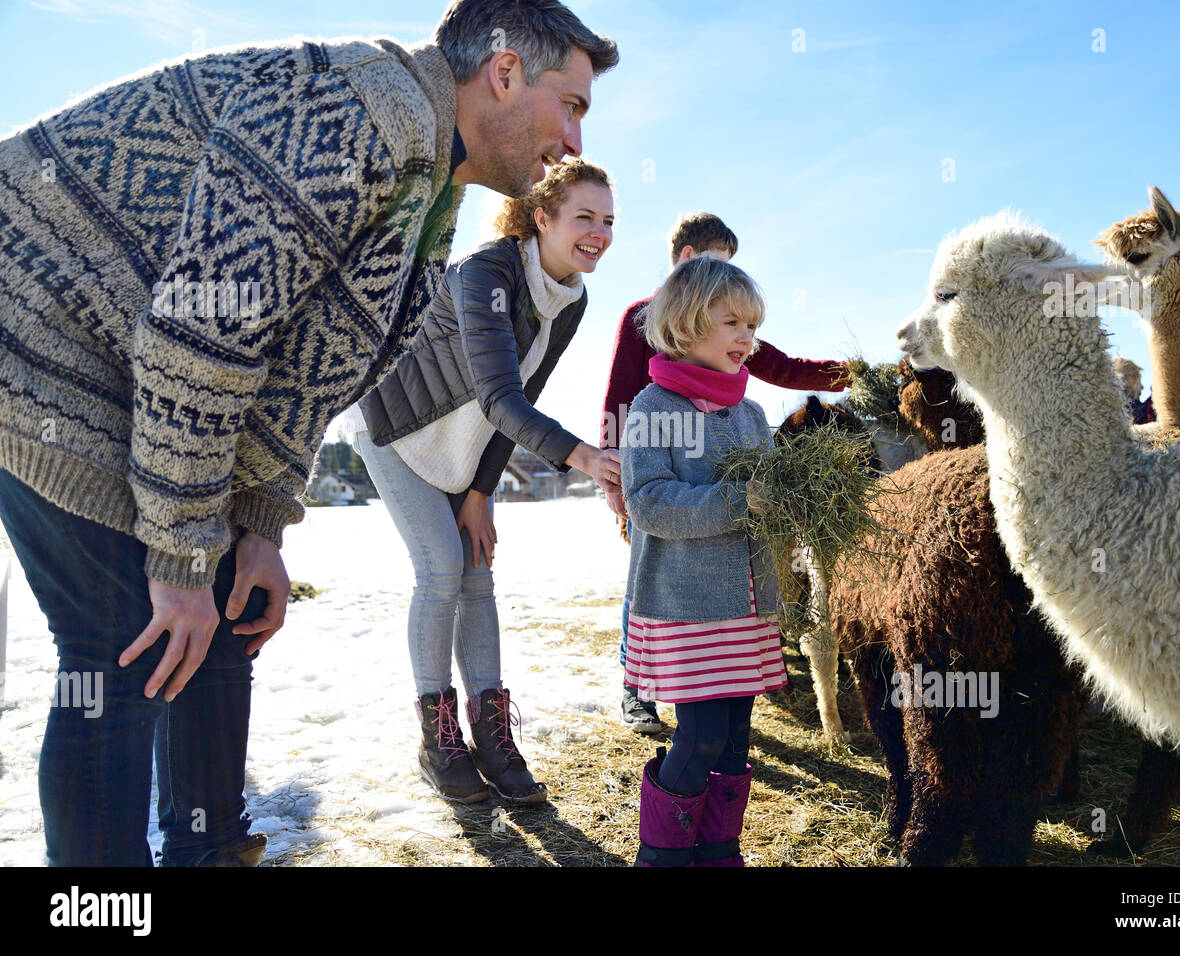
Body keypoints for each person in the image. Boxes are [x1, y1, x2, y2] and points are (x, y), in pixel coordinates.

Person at [0, 0, 617, 866]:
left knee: (225, 613)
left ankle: (206, 849)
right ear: (505, 71)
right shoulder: (363, 111)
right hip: (38, 333)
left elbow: (302, 371)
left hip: (129, 366)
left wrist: (255, 524)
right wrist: (181, 555)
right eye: (574, 104)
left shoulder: (432, 188)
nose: (576, 140)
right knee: (122, 643)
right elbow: (202, 329)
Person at [344, 158, 621, 805]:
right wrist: (585, 456)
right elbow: (502, 397)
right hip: (396, 419)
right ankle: (437, 739)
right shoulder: (485, 273)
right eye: (584, 216)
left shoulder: (572, 298)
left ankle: (492, 737)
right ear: (542, 217)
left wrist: (480, 493)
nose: (599, 232)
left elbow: (520, 397)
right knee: (440, 567)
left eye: (608, 220)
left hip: (465, 442)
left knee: (475, 565)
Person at [601, 212, 844, 733]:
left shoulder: (738, 374)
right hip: (651, 463)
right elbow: (620, 396)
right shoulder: (644, 318)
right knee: (651, 574)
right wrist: (613, 473)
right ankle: (638, 685)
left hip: (727, 538)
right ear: (690, 261)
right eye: (718, 263)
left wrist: (848, 374)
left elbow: (779, 366)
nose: (746, 336)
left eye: (749, 326)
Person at [621, 255, 786, 867]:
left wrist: (790, 501)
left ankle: (719, 850)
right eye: (733, 323)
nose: (748, 337)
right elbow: (649, 502)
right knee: (698, 736)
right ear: (687, 326)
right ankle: (661, 856)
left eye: (753, 325)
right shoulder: (653, 407)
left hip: (745, 607)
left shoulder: (751, 414)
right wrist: (740, 499)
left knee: (736, 738)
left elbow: (771, 496)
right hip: (688, 606)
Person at [1113, 356, 1156, 425]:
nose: (1142, 387)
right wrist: (1157, 392)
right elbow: (1144, 416)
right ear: (1129, 380)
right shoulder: (1129, 408)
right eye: (1138, 381)